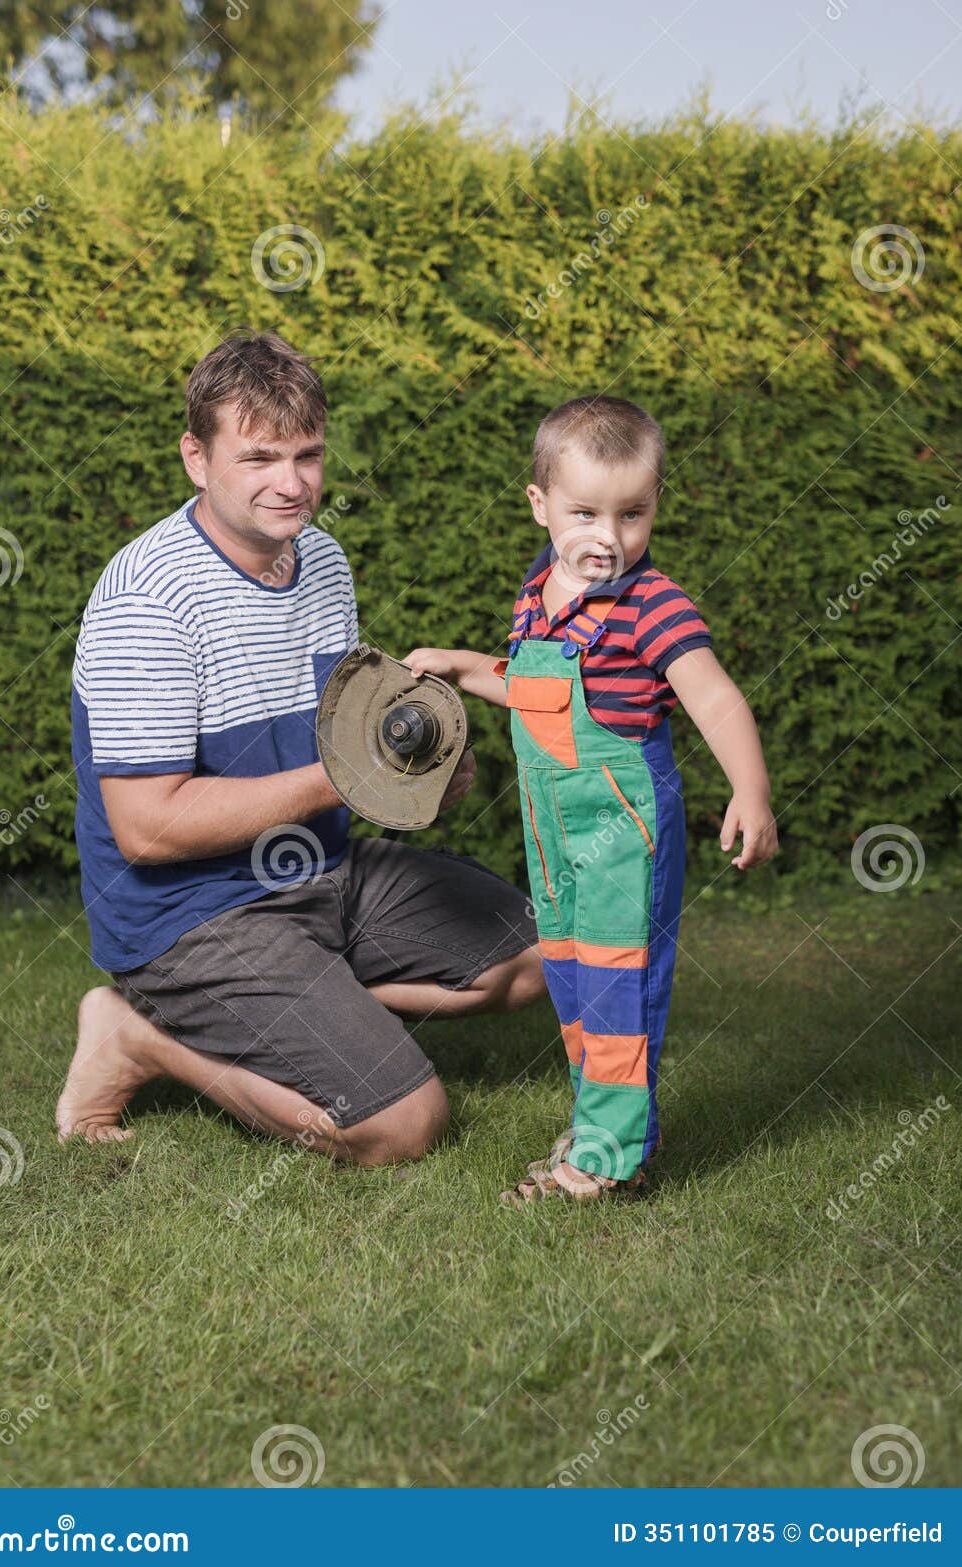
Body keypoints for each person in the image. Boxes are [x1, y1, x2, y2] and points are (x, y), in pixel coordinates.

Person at [57, 328, 544, 1164]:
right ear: (196, 458)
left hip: (322, 871)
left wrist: (417, 771)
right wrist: (348, 780)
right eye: (259, 458)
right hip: (193, 915)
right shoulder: (147, 601)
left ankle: (315, 1001)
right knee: (401, 1125)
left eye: (308, 455)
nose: (292, 485)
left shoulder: (319, 558)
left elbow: (344, 735)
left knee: (543, 956)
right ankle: (137, 1037)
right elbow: (146, 827)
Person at [404, 395, 779, 1203]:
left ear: (653, 507)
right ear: (541, 506)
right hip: (552, 835)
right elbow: (531, 688)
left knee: (617, 989)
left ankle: (606, 1162)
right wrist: (461, 667)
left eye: (632, 513)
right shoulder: (537, 590)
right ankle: (605, 1129)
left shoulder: (654, 605)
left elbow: (713, 698)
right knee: (572, 982)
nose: (608, 537)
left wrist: (749, 789)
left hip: (620, 832)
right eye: (585, 512)